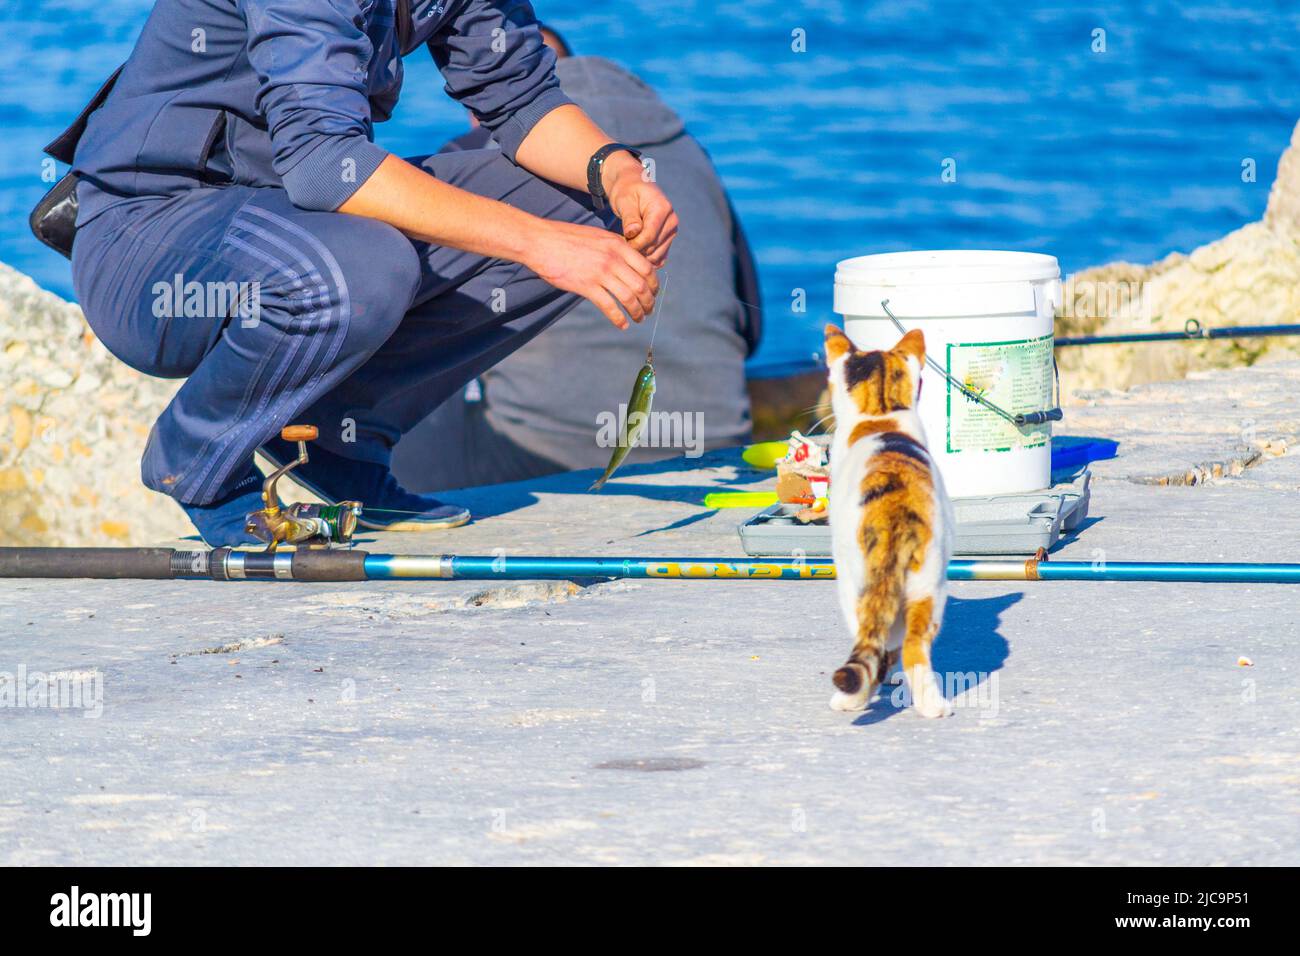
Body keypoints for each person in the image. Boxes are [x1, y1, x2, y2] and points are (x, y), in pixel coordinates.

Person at [61, 1, 677, 545]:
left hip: (285, 221)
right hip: (150, 239)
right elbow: (326, 167)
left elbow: (521, 98)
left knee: (584, 205)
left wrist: (616, 171)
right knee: (363, 266)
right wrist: (538, 245)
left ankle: (338, 433)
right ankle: (200, 457)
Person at [392, 24, 762, 490]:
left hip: (538, 459)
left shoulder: (468, 158)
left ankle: (375, 515)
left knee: (401, 381)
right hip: (717, 440)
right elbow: (751, 329)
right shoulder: (691, 152)